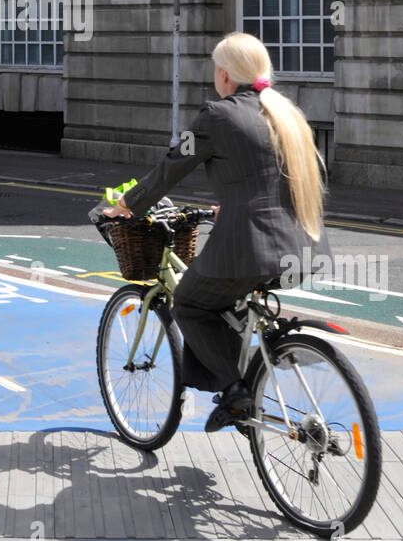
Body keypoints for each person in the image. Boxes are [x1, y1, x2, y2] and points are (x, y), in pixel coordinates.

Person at [102, 32, 331, 431]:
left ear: (224, 74)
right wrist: (233, 202)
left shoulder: (217, 115)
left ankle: (235, 391)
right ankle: (248, 384)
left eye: (214, 69)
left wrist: (126, 205)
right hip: (305, 246)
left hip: (249, 247)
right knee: (230, 302)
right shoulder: (286, 114)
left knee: (189, 303)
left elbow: (170, 168)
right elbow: (272, 177)